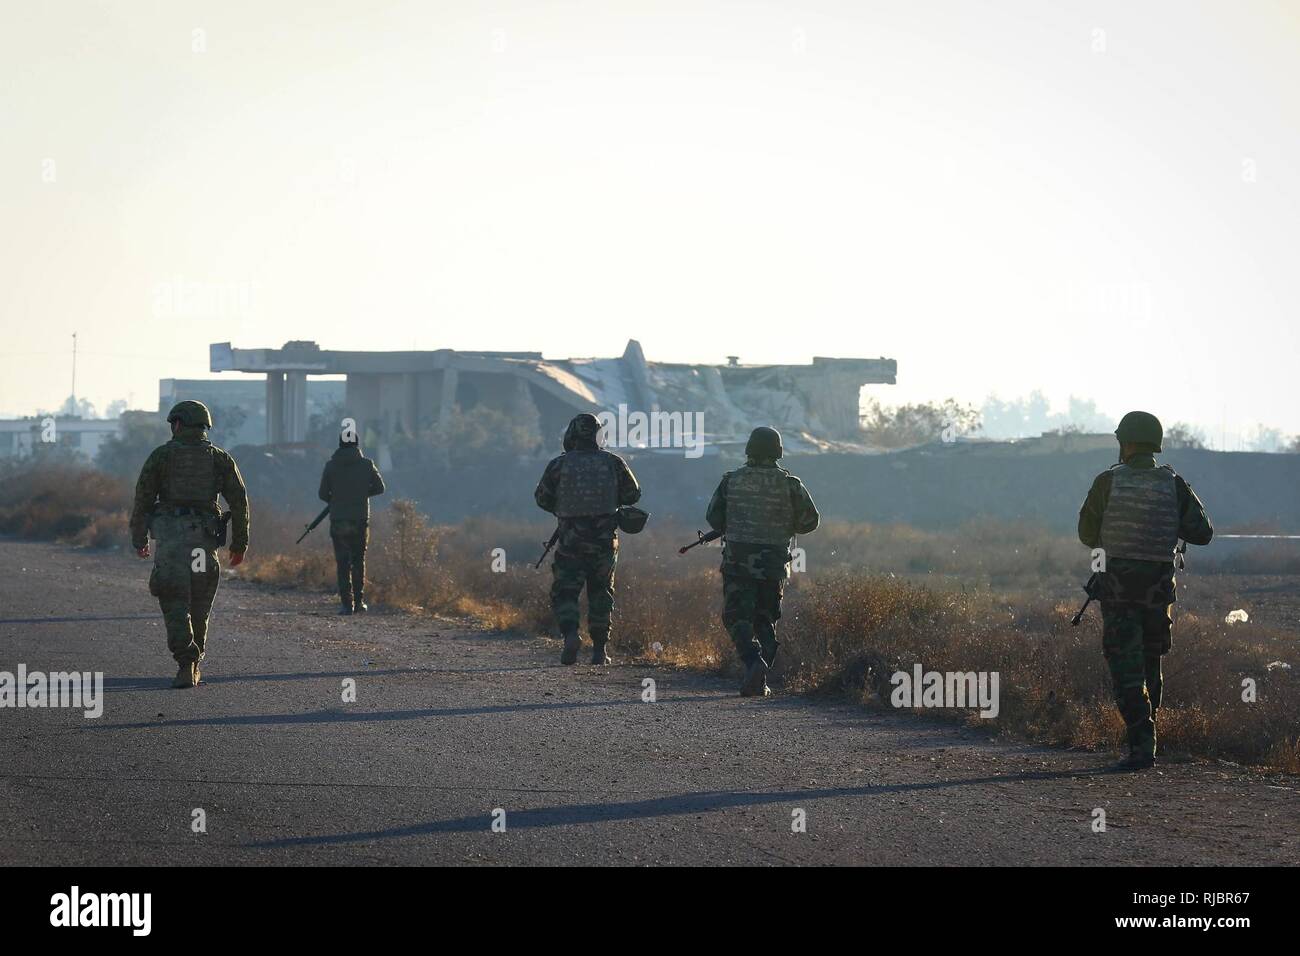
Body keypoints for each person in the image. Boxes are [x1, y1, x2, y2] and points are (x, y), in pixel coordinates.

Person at [1078, 410, 1213, 770]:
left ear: (1127, 443)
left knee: (1126, 670)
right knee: (1151, 665)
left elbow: (1087, 535)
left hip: (1119, 594)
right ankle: (1145, 740)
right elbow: (1203, 533)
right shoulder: (1173, 484)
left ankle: (1141, 744)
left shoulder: (1107, 482)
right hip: (1158, 594)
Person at [129, 400, 250, 688]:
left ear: (178, 424)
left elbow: (143, 500)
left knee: (174, 602)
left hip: (172, 544)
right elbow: (239, 501)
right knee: (199, 604)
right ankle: (195, 663)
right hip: (203, 545)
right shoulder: (220, 459)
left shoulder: (160, 457)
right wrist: (240, 543)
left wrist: (139, 538)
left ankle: (186, 660)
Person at [705, 426, 819, 697]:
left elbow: (714, 519)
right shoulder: (791, 484)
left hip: (738, 561)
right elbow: (810, 521)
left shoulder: (731, 481)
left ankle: (752, 662)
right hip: (774, 563)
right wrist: (783, 523)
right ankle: (761, 676)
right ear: (778, 451)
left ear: (749, 449)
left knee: (736, 616)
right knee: (766, 619)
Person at [534, 413, 641, 665]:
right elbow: (633, 494)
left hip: (571, 540)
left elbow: (542, 498)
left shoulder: (558, 465)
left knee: (565, 591)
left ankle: (571, 634)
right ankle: (599, 651)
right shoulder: (613, 462)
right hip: (604, 541)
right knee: (601, 592)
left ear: (572, 434)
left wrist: (566, 510)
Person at [318, 432, 386, 614]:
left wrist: (339, 499)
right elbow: (380, 488)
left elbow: (323, 494)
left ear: (340, 445)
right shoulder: (367, 465)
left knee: (342, 563)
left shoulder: (331, 466)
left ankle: (346, 605)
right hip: (359, 519)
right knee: (358, 560)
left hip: (339, 520)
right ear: (357, 445)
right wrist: (360, 495)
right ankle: (359, 602)